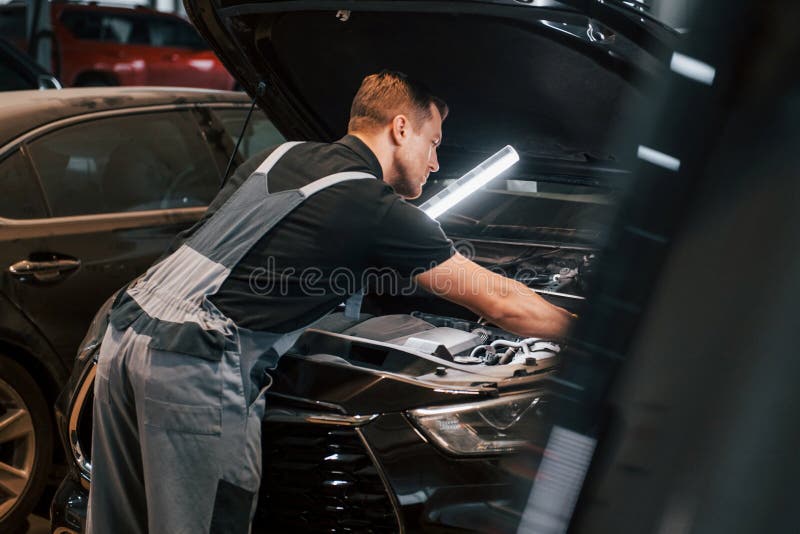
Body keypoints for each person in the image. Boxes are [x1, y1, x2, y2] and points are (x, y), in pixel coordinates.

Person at [87, 70, 573, 533]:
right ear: (401, 128)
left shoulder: (279, 155)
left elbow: (230, 251)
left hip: (123, 335)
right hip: (193, 365)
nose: (436, 163)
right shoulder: (374, 206)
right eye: (435, 143)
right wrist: (595, 335)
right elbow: (505, 304)